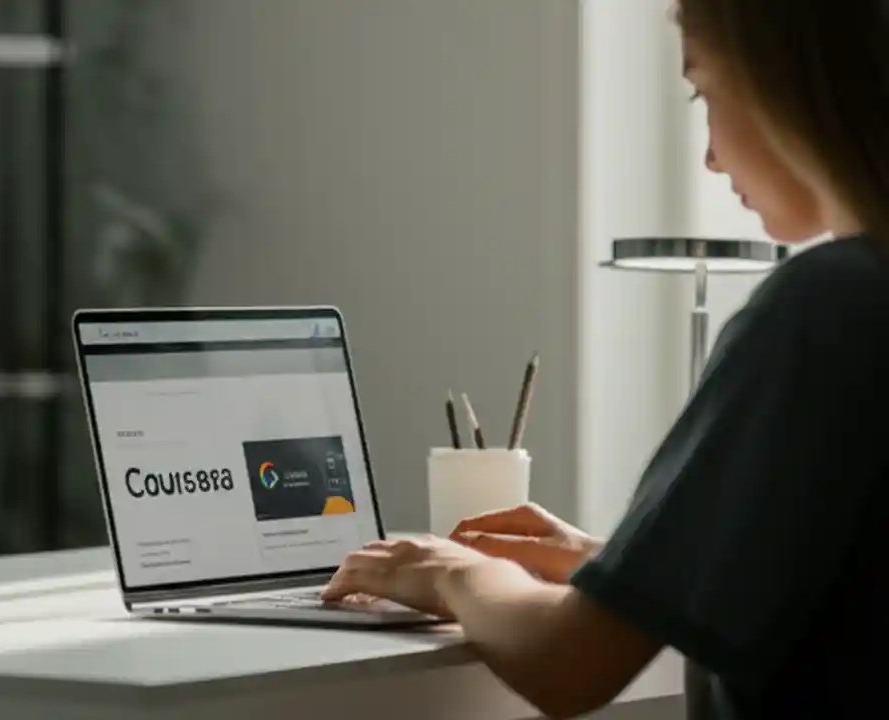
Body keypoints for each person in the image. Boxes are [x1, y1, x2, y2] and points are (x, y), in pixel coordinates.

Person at [321, 2, 889, 718]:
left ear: (786, 79)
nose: (710, 154)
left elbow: (570, 663)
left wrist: (449, 573)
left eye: (703, 91)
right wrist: (617, 568)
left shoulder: (827, 309)